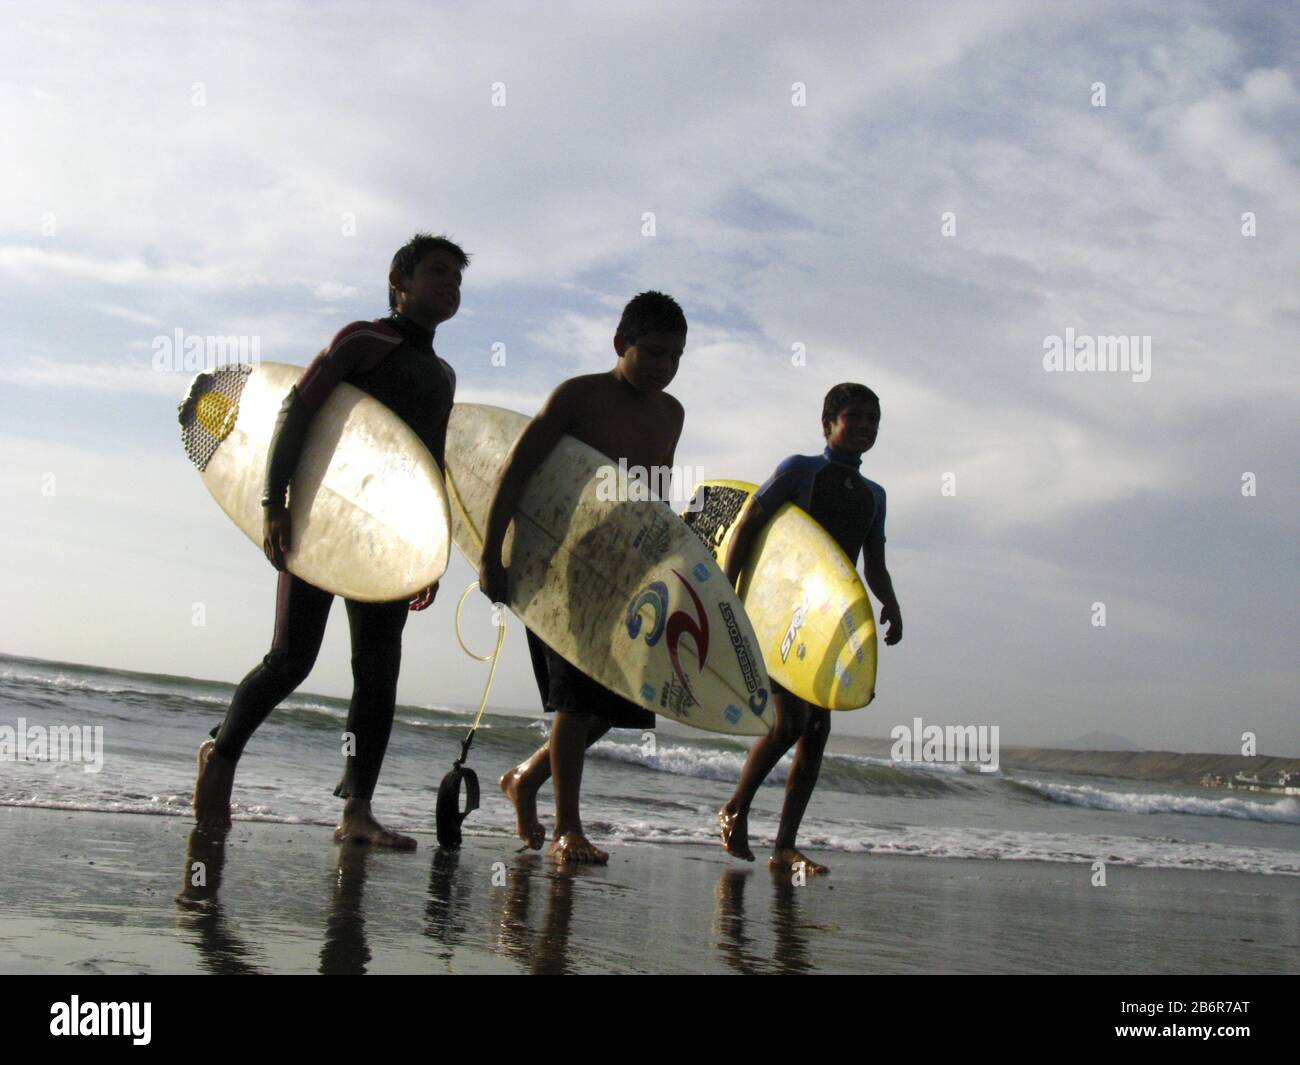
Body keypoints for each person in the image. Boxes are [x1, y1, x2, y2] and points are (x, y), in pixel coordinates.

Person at [192, 233, 468, 848]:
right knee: (291, 658)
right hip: (322, 523)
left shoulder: (444, 374)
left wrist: (429, 554)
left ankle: (357, 812)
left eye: (457, 278)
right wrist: (274, 501)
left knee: (378, 672)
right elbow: (296, 408)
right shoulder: (363, 340)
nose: (450, 285)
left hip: (385, 542)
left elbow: (430, 465)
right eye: (437, 272)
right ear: (399, 281)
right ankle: (221, 758)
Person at [479, 292, 688, 863]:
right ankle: (567, 828)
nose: (663, 367)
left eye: (675, 357)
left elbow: (653, 498)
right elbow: (514, 473)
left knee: (612, 704)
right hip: (557, 565)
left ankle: (525, 779)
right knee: (573, 701)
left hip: (621, 572)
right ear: (621, 343)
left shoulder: (671, 414)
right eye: (653, 353)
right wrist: (490, 554)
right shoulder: (577, 397)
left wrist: (662, 569)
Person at [717, 383, 902, 874]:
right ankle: (736, 809)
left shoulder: (875, 496)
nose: (865, 427)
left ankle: (783, 846)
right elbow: (747, 527)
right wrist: (730, 595)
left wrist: (891, 604)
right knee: (792, 722)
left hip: (822, 622)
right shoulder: (799, 470)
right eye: (855, 417)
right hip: (778, 614)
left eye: (873, 421)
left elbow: (873, 566)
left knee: (816, 730)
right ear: (828, 424)